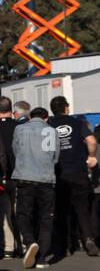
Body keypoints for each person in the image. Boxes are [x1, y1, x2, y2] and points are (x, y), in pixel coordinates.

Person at [45, 95, 98, 257]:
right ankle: (88, 239)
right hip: (79, 171)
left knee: (62, 210)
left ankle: (66, 245)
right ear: (66, 108)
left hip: (59, 173)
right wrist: (91, 156)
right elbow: (92, 141)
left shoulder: (49, 126)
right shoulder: (77, 123)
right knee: (83, 209)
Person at [11, 106, 61, 269]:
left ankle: (29, 241)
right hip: (46, 179)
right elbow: (55, 157)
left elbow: (16, 151)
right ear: (46, 118)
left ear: (30, 117)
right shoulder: (52, 131)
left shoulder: (20, 129)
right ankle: (42, 258)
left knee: (23, 214)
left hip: (25, 177)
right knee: (46, 217)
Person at [0, 97, 21, 258]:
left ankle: (7, 246)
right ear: (11, 110)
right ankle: (23, 243)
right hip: (19, 174)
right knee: (19, 211)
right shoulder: (20, 127)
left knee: (3, 213)